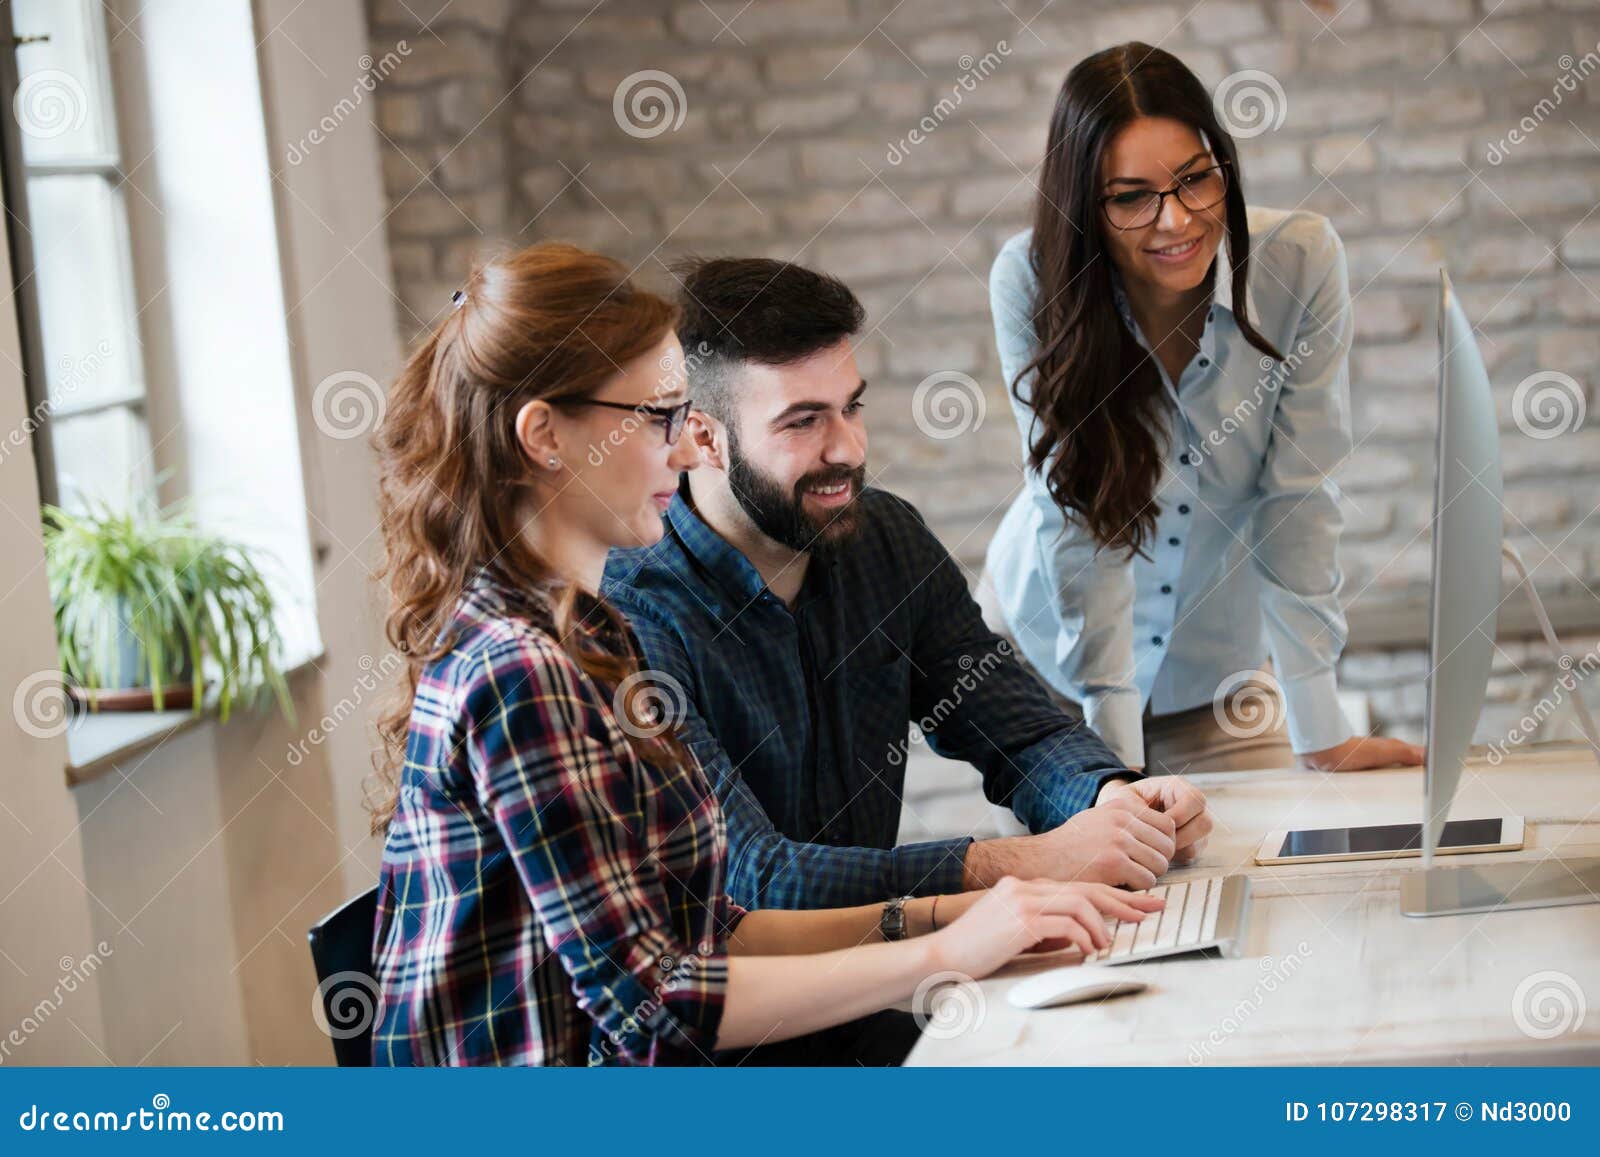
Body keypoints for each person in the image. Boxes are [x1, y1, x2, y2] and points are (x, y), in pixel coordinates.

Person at [366, 242, 1163, 1067]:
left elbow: (719, 927)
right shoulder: (528, 666)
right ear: (546, 437)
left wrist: (983, 909)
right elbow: (655, 1009)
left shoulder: (584, 634)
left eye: (851, 407)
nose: (678, 449)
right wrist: (950, 942)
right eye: (656, 419)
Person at [602, 256, 1212, 913]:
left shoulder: (887, 540)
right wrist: (1029, 862)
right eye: (803, 421)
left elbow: (1019, 732)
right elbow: (753, 874)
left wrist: (1112, 798)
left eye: (851, 407)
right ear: (704, 437)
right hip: (740, 1008)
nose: (849, 449)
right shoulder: (631, 612)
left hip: (878, 983)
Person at [980, 42, 1424, 787]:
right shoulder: (1031, 279)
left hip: (1212, 674)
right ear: (1085, 207)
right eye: (1131, 197)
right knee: (1099, 887)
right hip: (1048, 661)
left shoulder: (1299, 264)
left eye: (1195, 179)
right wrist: (1112, 765)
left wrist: (1321, 728)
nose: (1177, 219)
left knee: (1268, 849)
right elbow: (1077, 518)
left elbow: (1299, 497)